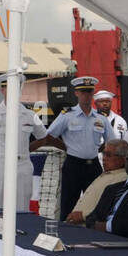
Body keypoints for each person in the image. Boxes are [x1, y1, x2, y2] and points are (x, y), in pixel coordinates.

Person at [0, 81, 50, 213]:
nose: (13, 91)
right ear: (2, 90)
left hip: (22, 164)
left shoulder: (31, 114)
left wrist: (25, 150)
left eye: (16, 87)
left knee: (22, 209)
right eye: (9, 87)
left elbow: (43, 138)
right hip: (1, 164)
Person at [42, 76, 107, 216]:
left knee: (95, 204)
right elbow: (49, 136)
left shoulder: (101, 117)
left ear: (93, 93)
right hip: (73, 164)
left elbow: (112, 141)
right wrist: (66, 147)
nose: (87, 96)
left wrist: (97, 149)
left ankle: (92, 233)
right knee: (68, 203)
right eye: (83, 92)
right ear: (76, 93)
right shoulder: (67, 115)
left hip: (94, 165)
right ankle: (66, 233)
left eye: (89, 92)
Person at [66, 139, 128, 224]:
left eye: (108, 155)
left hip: (91, 229)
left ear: (123, 159)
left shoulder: (123, 179)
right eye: (103, 154)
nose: (104, 158)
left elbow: (113, 208)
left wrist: (84, 215)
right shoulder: (108, 174)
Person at [92, 89, 127, 164]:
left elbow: (124, 143)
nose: (105, 104)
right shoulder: (89, 120)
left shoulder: (120, 121)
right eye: (101, 101)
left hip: (114, 162)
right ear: (95, 103)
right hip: (95, 162)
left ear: (111, 102)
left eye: (107, 101)